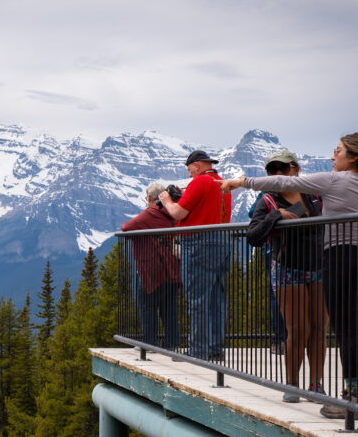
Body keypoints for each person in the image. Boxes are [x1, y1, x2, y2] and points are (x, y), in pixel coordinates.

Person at [220, 133, 358, 420]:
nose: (333, 156)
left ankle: (350, 400)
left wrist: (242, 182)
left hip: (339, 258)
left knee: (344, 329)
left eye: (337, 151)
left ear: (352, 157)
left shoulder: (333, 181)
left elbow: (285, 182)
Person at [245, 150, 326, 402]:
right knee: (298, 330)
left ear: (295, 169)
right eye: (272, 170)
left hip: (319, 268)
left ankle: (316, 385)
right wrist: (277, 215)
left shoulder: (315, 197)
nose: (277, 174)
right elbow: (253, 235)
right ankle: (292, 385)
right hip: (287, 269)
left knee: (319, 329)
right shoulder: (268, 201)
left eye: (282, 168)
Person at [158, 150, 232, 361]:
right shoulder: (222, 183)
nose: (189, 174)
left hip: (199, 242)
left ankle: (197, 351)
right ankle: (216, 349)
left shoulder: (200, 182)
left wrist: (166, 200)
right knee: (217, 298)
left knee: (198, 298)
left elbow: (178, 213)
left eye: (189, 169)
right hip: (222, 241)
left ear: (197, 165)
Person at [121, 182, 181, 349]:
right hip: (172, 269)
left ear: (149, 198)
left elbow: (126, 228)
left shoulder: (151, 212)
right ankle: (172, 344)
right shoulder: (172, 212)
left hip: (152, 269)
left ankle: (149, 343)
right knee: (169, 309)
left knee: (147, 306)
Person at [248, 195, 288, 356]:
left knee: (277, 294)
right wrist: (280, 214)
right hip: (286, 249)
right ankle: (284, 340)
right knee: (283, 294)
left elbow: (253, 213)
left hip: (273, 249)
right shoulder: (296, 190)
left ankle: (280, 340)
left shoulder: (267, 193)